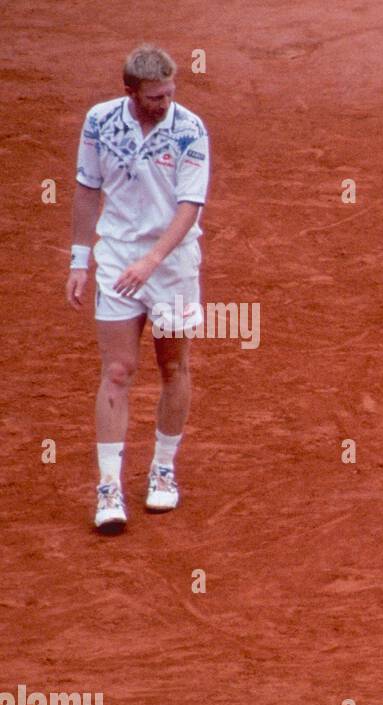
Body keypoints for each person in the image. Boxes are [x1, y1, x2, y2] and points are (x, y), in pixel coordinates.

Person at [67, 43, 211, 533]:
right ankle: (109, 488)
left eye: (169, 94)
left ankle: (163, 469)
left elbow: (190, 206)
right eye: (154, 97)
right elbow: (87, 189)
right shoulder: (99, 122)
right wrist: (80, 261)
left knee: (173, 364)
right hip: (117, 261)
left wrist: (152, 260)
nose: (164, 104)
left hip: (171, 264)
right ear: (130, 91)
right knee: (118, 370)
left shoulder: (190, 129)